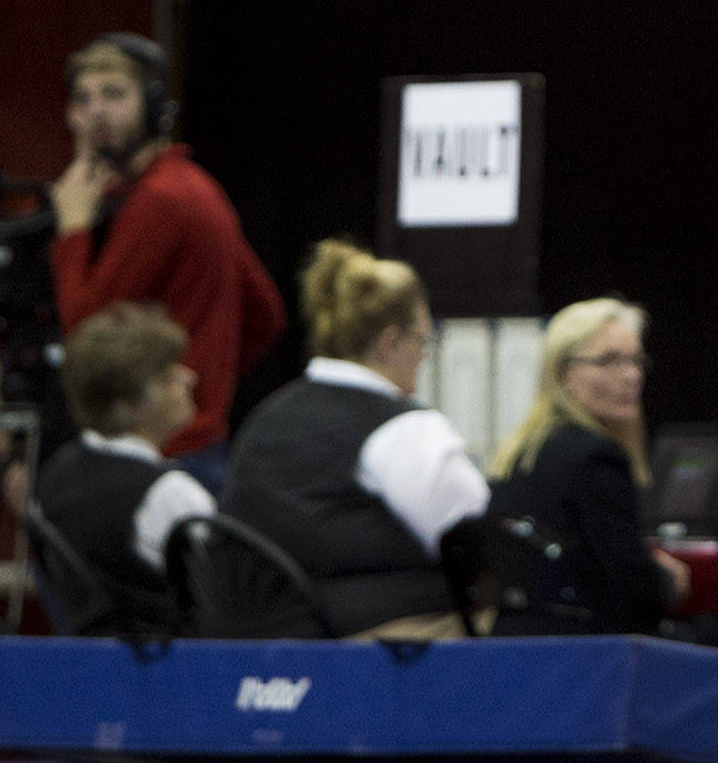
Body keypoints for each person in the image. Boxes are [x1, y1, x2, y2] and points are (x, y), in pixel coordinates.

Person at [47, 34, 287, 491]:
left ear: (155, 106)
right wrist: (204, 382)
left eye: (115, 94)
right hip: (198, 445)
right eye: (83, 98)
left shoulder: (158, 201)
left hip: (161, 455)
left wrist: (73, 232)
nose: (96, 111)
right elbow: (265, 313)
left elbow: (85, 335)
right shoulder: (191, 185)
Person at [222, 241, 491, 640]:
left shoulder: (266, 417)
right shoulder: (404, 429)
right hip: (373, 641)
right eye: (422, 341)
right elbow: (478, 540)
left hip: (254, 637)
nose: (422, 356)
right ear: (390, 343)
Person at [488, 298, 690, 634]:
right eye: (609, 360)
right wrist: (667, 580)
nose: (631, 376)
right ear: (563, 373)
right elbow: (630, 589)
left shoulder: (519, 451)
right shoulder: (595, 459)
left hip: (518, 644)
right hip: (588, 651)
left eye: (636, 361)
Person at [32, 303, 216, 633]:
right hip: (171, 672)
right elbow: (219, 606)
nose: (190, 377)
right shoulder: (171, 494)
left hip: (87, 669)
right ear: (130, 402)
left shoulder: (52, 477)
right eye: (168, 374)